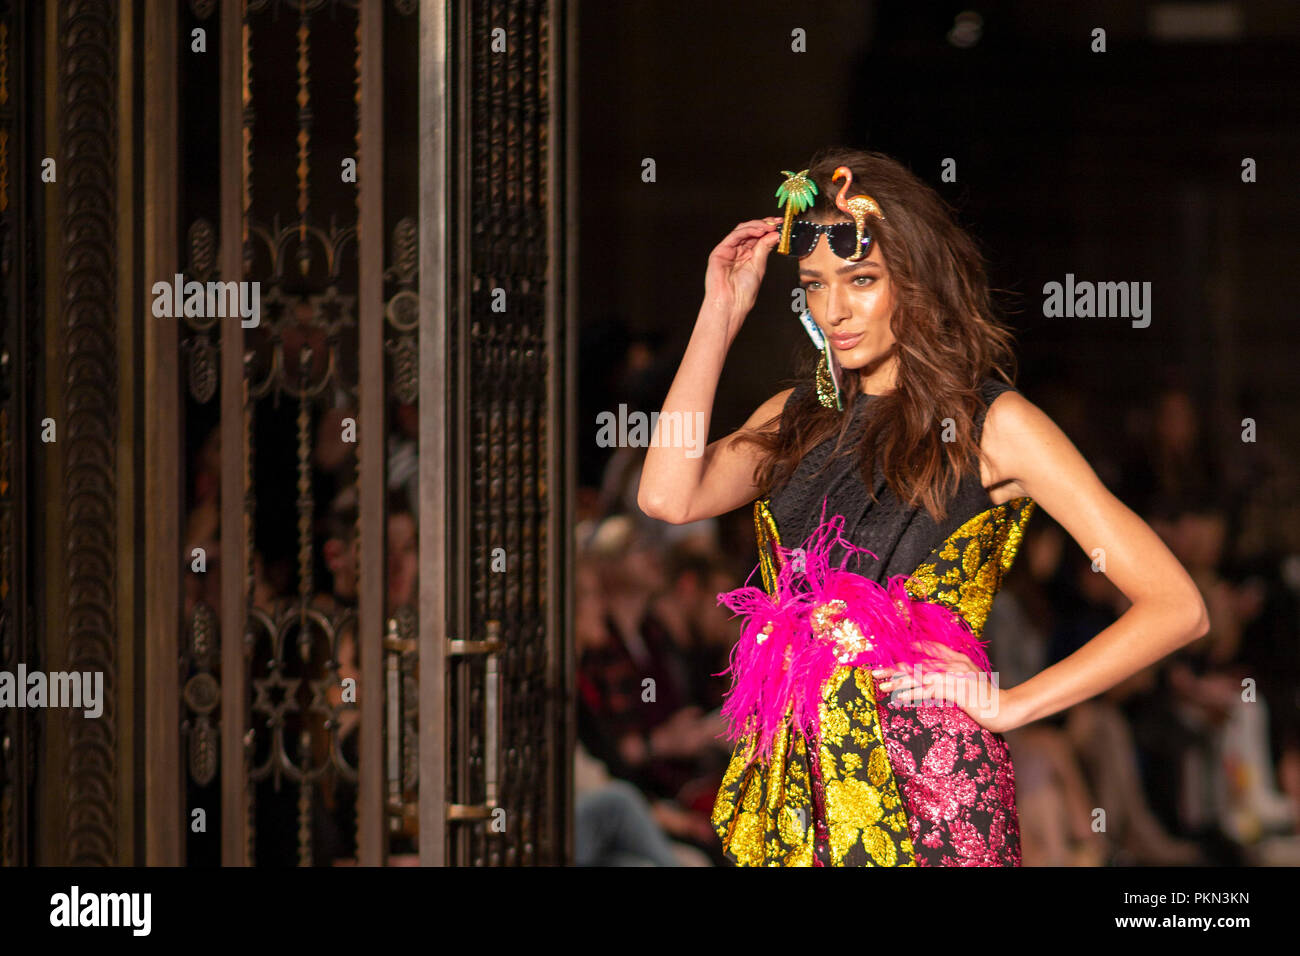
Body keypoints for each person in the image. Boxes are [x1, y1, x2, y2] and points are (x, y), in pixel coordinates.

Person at [636, 147, 1210, 867]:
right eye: (814, 285)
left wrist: (1014, 703)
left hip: (929, 787)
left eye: (862, 279)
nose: (835, 309)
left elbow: (1176, 605)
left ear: (915, 280)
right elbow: (665, 495)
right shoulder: (797, 417)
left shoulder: (994, 425)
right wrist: (720, 312)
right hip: (799, 793)